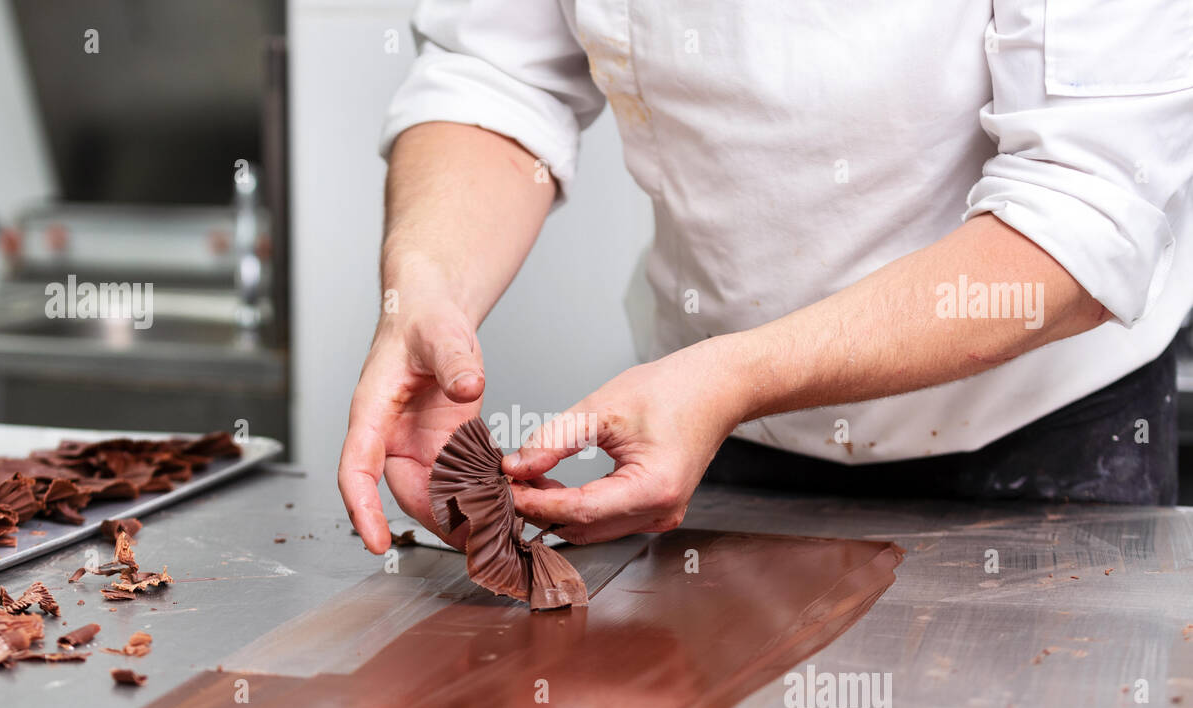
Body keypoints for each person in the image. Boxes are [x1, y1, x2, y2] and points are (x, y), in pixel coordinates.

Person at [340, 1, 1193, 553]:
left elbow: (1080, 209)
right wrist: (426, 286)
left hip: (1045, 442)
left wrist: (732, 377)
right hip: (713, 441)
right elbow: (499, 75)